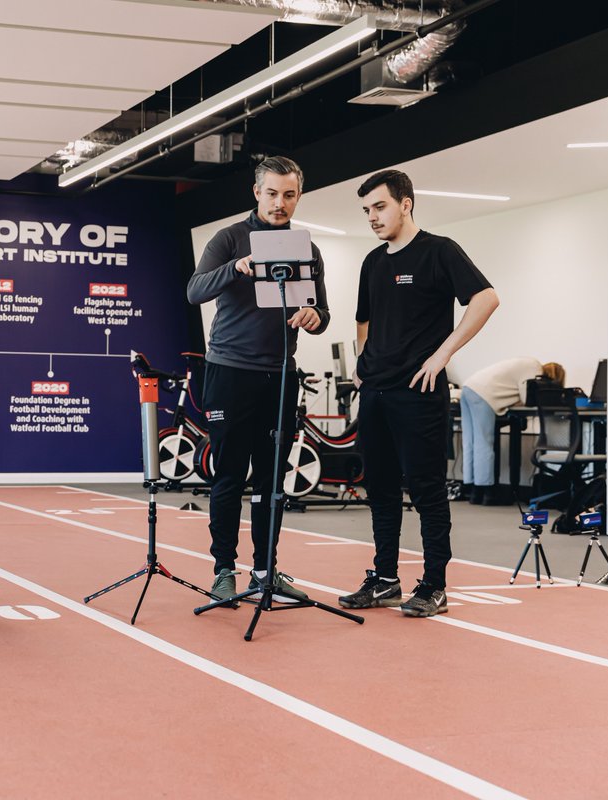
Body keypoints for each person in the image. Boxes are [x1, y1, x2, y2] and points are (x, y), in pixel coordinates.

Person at [339, 169, 499, 618]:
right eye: (366, 210)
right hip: (376, 393)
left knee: (427, 491)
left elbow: (486, 298)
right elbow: (363, 319)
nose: (372, 217)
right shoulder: (373, 262)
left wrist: (441, 356)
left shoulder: (439, 252)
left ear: (406, 203)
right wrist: (362, 363)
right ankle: (385, 579)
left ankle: (434, 586)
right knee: (381, 490)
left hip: (419, 392)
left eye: (380, 207)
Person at [187, 156, 330, 606]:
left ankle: (266, 570)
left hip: (280, 375)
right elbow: (194, 291)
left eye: (289, 195)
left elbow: (322, 313)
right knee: (229, 475)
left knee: (272, 480)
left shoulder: (307, 248)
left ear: (298, 196)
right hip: (230, 372)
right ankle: (224, 570)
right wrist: (238, 267)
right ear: (256, 192)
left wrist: (314, 317)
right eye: (272, 193)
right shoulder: (229, 238)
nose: (280, 203)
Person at [460, 358, 565, 504]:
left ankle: (472, 491)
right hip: (482, 394)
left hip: (468, 387)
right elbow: (527, 398)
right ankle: (486, 492)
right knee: (484, 443)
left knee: (470, 442)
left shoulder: (526, 364)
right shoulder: (534, 368)